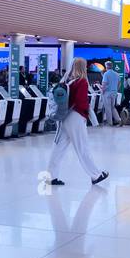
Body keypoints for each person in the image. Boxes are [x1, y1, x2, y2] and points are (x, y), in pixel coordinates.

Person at [47, 58, 108, 187]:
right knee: (82, 147)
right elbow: (81, 102)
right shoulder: (82, 82)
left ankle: (51, 176)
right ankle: (95, 175)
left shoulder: (66, 80)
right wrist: (85, 115)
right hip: (76, 116)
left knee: (58, 146)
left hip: (64, 116)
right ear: (83, 67)